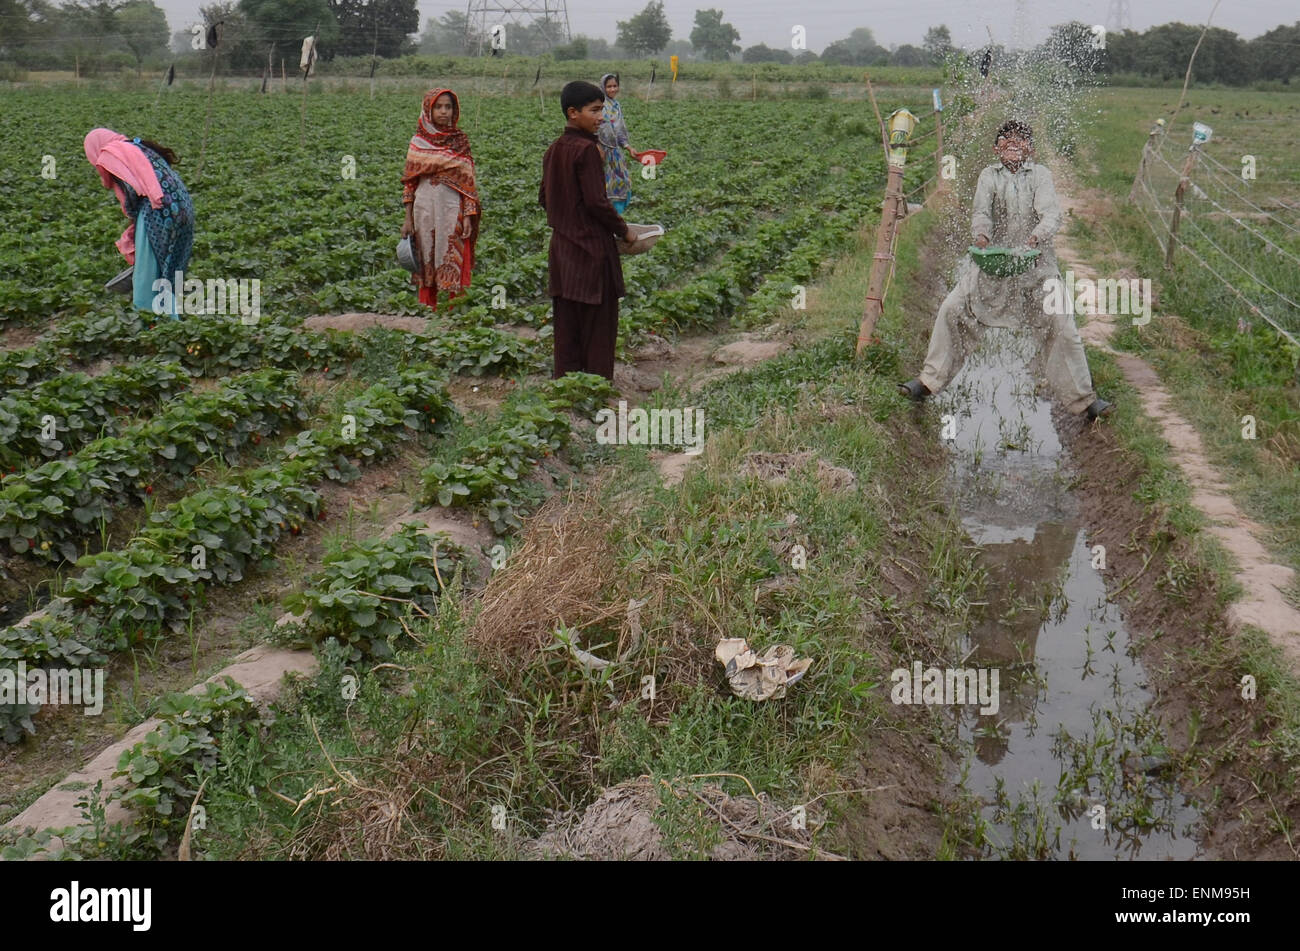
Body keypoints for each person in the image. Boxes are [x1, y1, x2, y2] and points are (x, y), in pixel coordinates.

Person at [898, 120, 1112, 421]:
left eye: (1020, 140)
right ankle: (927, 383)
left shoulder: (1040, 175)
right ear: (996, 148)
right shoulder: (989, 176)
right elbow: (981, 213)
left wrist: (1034, 238)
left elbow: (1051, 214)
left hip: (1038, 266)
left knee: (1062, 324)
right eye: (1006, 140)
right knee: (952, 309)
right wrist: (982, 237)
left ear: (1031, 149)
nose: (1013, 144)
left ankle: (1085, 401)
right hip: (994, 265)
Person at [539, 80, 631, 380]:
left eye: (602, 110)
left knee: (567, 324)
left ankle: (566, 387)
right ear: (573, 113)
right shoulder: (587, 151)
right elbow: (597, 203)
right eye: (595, 111)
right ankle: (596, 387)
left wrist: (566, 219)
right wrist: (625, 231)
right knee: (599, 323)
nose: (601, 117)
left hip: (562, 250)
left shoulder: (553, 149)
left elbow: (544, 198)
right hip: (591, 250)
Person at [84, 129, 194, 318]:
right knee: (169, 268)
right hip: (182, 207)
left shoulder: (110, 153)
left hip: (157, 210)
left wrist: (134, 216)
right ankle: (169, 322)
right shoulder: (137, 147)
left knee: (148, 271)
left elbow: (132, 189)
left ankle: (148, 321)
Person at [401, 88, 481, 311]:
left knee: (451, 254)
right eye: (438, 107)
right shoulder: (418, 142)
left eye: (448, 107)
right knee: (426, 254)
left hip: (451, 208)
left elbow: (468, 184)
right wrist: (407, 219)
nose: (444, 112)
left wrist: (468, 215)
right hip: (423, 208)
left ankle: (455, 310)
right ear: (429, 110)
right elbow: (409, 183)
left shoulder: (460, 141)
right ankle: (429, 309)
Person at [597, 73, 636, 215]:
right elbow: (595, 129)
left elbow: (619, 130)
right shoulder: (598, 106)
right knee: (604, 185)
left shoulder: (616, 105)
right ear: (603, 87)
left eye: (615, 86)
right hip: (601, 151)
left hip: (615, 152)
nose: (613, 89)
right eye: (609, 86)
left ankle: (616, 216)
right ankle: (606, 217)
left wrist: (627, 146)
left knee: (622, 181)